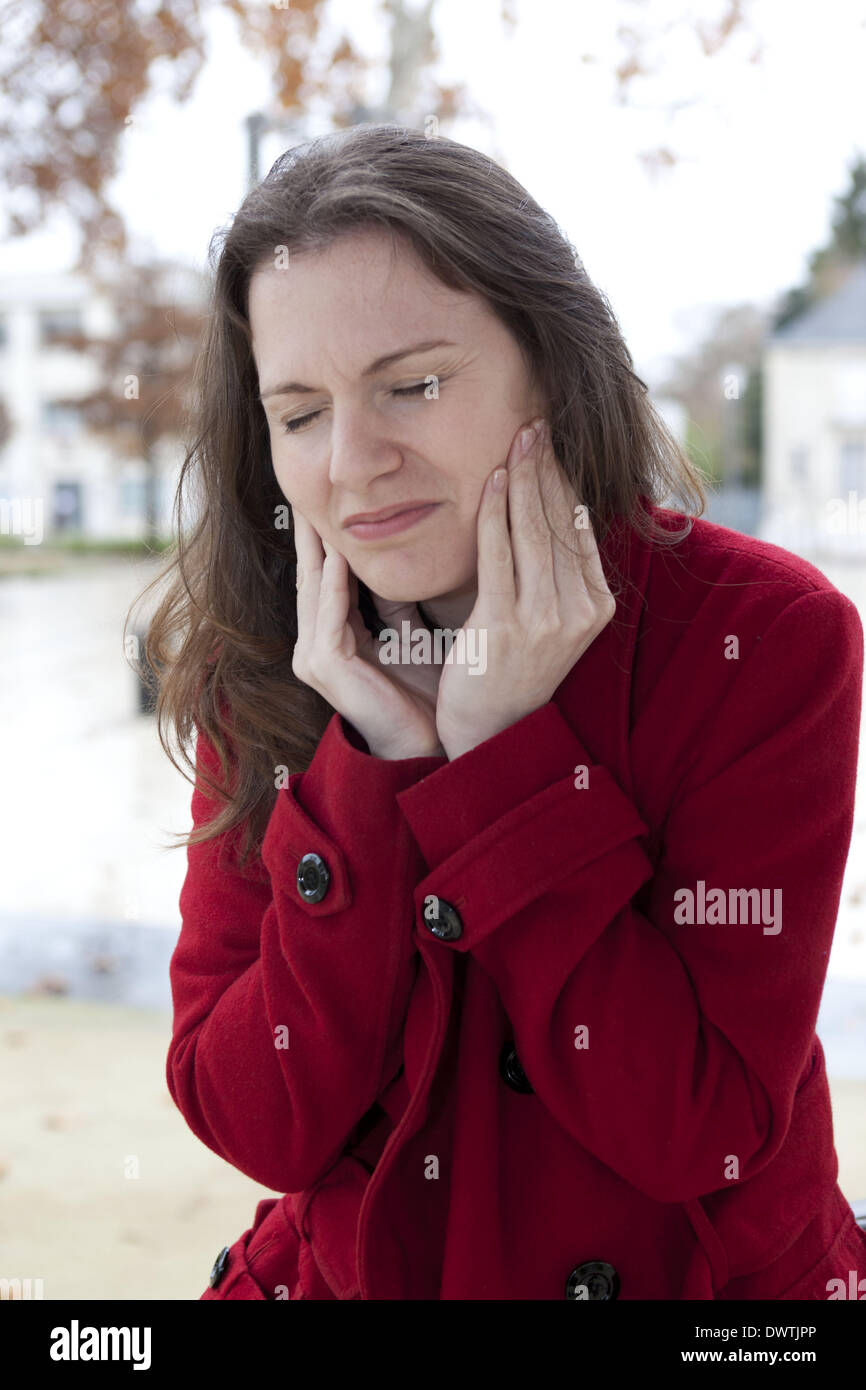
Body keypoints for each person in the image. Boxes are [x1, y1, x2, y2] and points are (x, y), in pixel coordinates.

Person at [135, 123, 866, 1300]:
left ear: (548, 360)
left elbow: (697, 1129)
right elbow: (251, 1119)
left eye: (411, 384)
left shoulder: (765, 638)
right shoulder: (270, 656)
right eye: (300, 411)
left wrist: (502, 764)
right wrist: (375, 761)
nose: (352, 463)